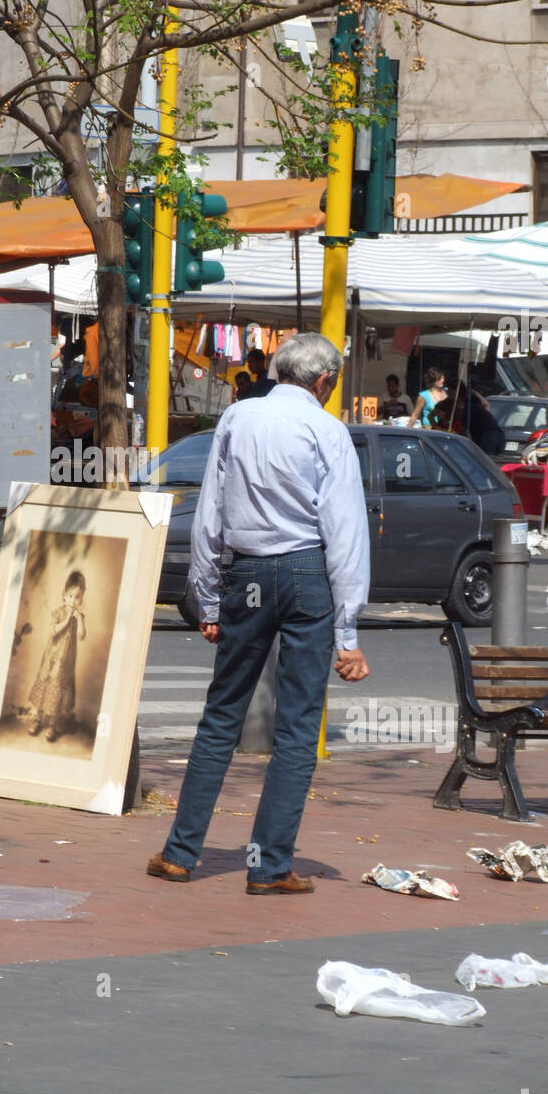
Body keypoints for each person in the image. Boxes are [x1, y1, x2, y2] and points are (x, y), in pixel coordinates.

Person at [147, 332, 371, 896]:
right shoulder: (328, 431)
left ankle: (179, 853)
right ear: (324, 381)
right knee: (296, 728)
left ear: (278, 370)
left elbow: (211, 515)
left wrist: (208, 599)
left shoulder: (239, 418)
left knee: (221, 713)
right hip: (306, 575)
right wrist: (347, 632)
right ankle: (270, 866)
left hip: (246, 575)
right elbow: (344, 533)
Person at [28, 570, 86, 742]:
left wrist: (79, 619)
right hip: (52, 657)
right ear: (64, 596)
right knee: (46, 684)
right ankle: (37, 719)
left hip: (67, 661)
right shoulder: (59, 612)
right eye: (71, 596)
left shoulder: (79, 616)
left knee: (60, 690)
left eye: (78, 597)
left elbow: (82, 635)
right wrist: (68, 618)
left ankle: (53, 725)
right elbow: (53, 632)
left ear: (81, 599)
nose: (74, 600)